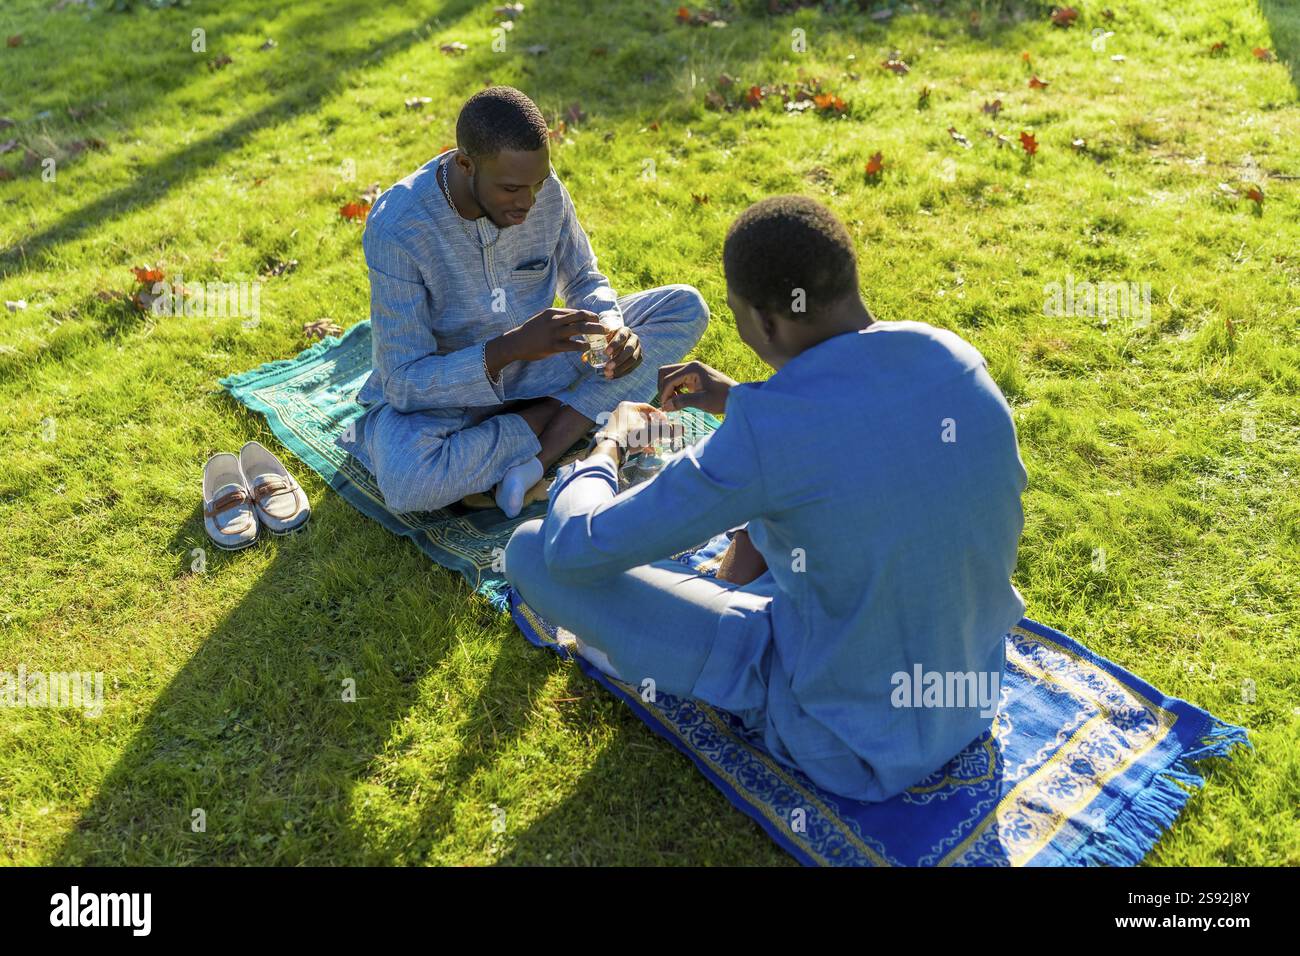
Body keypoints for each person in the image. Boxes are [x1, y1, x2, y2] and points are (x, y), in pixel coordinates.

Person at [504, 195, 1029, 802]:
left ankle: (640, 647)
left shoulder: (770, 433)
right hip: (967, 698)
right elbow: (857, 433)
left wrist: (609, 445)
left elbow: (575, 546)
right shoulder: (955, 358)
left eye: (736, 314)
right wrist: (736, 398)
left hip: (842, 742)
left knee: (533, 551)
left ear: (768, 323)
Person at [339, 86, 709, 517]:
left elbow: (585, 277)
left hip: (548, 360)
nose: (529, 203)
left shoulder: (543, 190)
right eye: (512, 189)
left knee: (685, 306)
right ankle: (561, 421)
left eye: (537, 183)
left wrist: (613, 328)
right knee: (409, 482)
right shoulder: (398, 226)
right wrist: (510, 349)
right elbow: (402, 381)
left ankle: (535, 457)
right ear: (465, 164)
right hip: (452, 393)